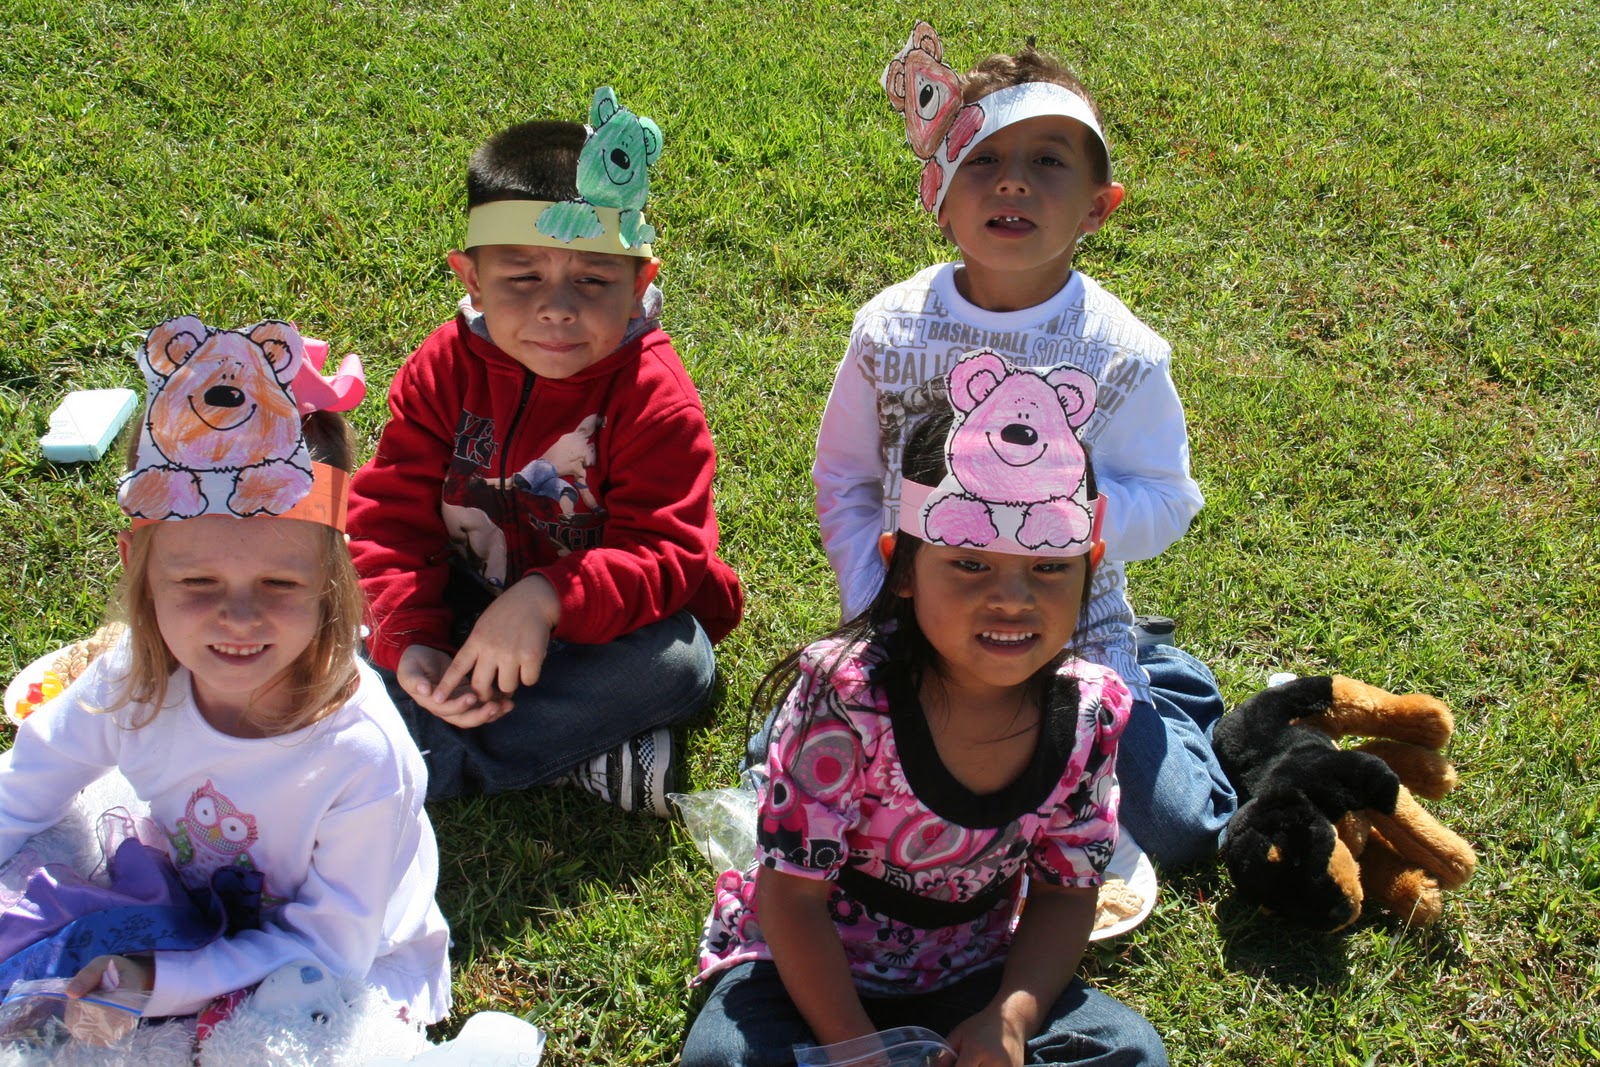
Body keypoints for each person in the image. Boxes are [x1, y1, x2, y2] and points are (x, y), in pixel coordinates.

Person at [811, 22, 1233, 868]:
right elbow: (848, 478)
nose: (1012, 182)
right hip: (919, 618)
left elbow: (1170, 493)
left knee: (1183, 826)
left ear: (1098, 206)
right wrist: (871, 599)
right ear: (939, 190)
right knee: (807, 759)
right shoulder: (889, 331)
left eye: (1048, 161)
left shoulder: (1122, 351)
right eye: (983, 162)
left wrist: (1084, 517)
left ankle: (1163, 682)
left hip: (1072, 630)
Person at [684, 352, 1167, 1067]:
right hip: (799, 967)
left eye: (1048, 567)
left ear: (1088, 565)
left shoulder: (1089, 713)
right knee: (724, 1059)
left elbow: (1069, 893)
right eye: (971, 563)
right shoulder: (845, 700)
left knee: (1132, 1051)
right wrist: (854, 1046)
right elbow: (791, 901)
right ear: (903, 567)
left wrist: (1011, 1013)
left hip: (971, 973)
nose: (1012, 596)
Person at [0, 317, 451, 1027]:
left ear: (331, 582)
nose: (238, 618)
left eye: (279, 584)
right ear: (141, 573)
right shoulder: (134, 681)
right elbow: (26, 785)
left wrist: (160, 982)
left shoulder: (363, 757)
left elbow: (331, 950)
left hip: (351, 965)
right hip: (190, 906)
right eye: (199, 582)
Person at [347, 89, 743, 817]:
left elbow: (668, 553)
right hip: (466, 597)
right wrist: (410, 640)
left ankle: (421, 757)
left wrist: (548, 597)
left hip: (599, 630)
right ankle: (584, 754)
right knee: (333, 604)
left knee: (680, 663)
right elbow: (386, 518)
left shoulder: (654, 397)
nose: (556, 307)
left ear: (638, 284)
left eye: (592, 279)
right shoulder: (442, 367)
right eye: (522, 277)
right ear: (470, 278)